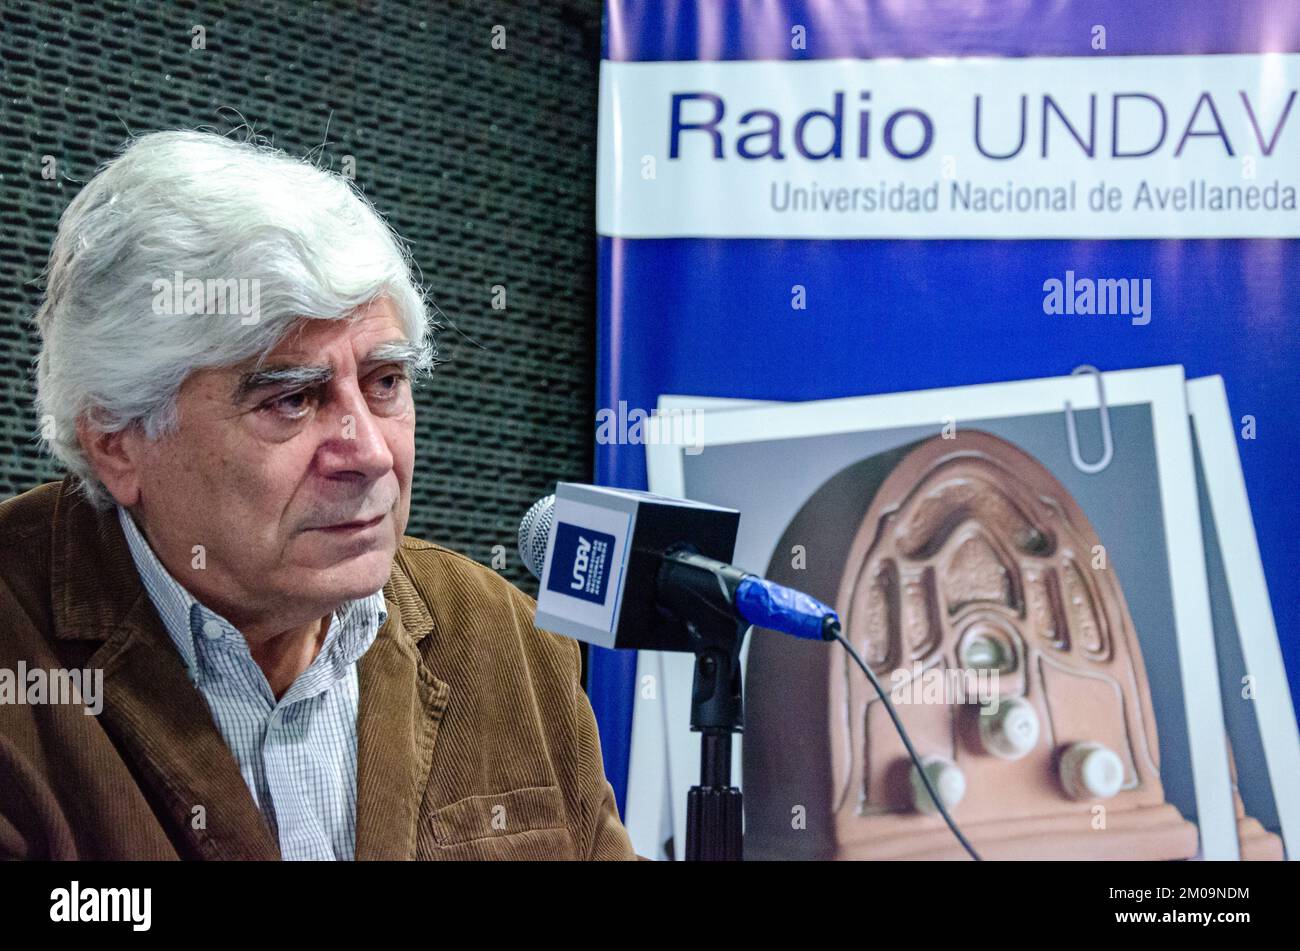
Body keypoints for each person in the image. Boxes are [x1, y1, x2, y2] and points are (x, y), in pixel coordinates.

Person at [0, 130, 637, 860]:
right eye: (293, 399)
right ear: (117, 437)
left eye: (385, 382)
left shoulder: (508, 642)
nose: (368, 453)